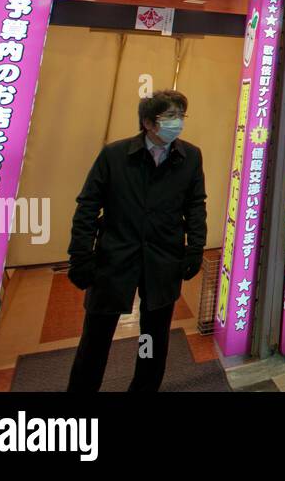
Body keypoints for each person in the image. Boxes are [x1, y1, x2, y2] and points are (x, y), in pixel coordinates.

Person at [66, 90, 206, 392]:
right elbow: (88, 205)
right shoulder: (115, 155)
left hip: (163, 258)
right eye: (169, 117)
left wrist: (194, 248)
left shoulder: (190, 156)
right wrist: (80, 256)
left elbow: (196, 205)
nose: (177, 123)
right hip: (115, 258)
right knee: (96, 339)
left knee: (152, 338)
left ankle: (143, 388)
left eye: (181, 116)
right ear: (147, 122)